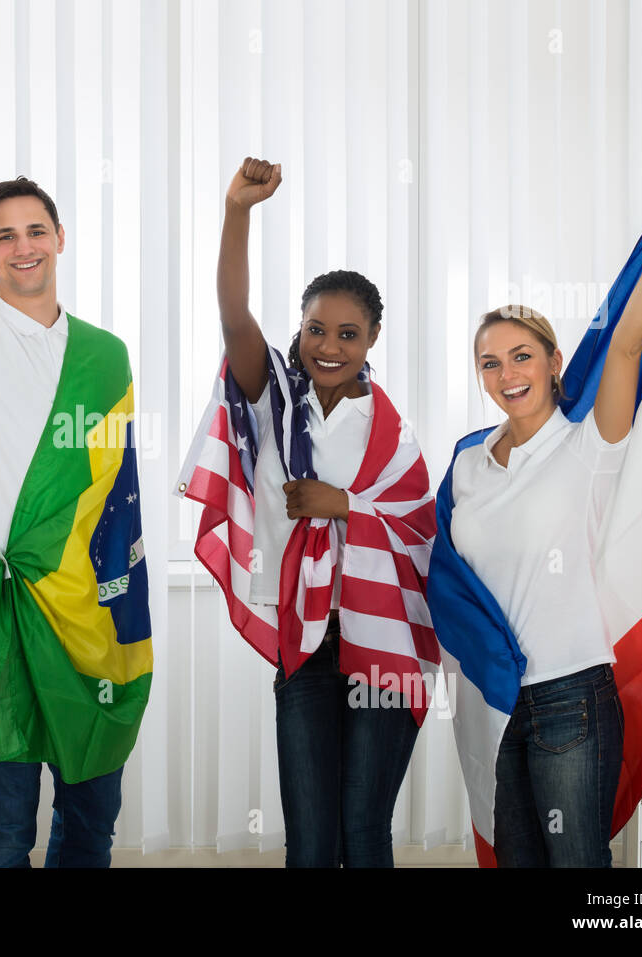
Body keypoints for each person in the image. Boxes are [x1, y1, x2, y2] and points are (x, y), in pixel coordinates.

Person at [0, 63, 153, 868]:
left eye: (34, 230)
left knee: (91, 822)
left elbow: (115, 502)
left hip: (91, 617)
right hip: (0, 617)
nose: (21, 246)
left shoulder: (106, 354)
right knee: (4, 827)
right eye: (3, 235)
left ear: (60, 238)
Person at [182, 157, 438, 867]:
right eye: (316, 329)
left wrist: (344, 504)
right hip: (307, 645)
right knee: (310, 841)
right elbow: (234, 314)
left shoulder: (394, 433)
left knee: (364, 831)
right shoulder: (274, 399)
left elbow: (420, 535)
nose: (329, 346)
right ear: (298, 328)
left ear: (372, 340)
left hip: (383, 648)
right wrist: (238, 211)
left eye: (348, 334)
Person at [441, 185, 642, 867]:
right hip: (494, 698)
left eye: (523, 355)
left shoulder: (588, 446)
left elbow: (624, 348)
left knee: (578, 863)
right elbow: (444, 576)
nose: (507, 373)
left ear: (554, 363)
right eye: (491, 362)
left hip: (571, 696)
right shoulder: (467, 461)